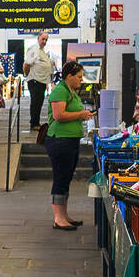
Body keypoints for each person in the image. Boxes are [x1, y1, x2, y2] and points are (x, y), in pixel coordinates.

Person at [45, 60, 95, 231]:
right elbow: (59, 115)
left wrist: (83, 115)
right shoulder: (60, 90)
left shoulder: (71, 91)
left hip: (70, 140)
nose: (81, 80)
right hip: (60, 140)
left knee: (66, 178)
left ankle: (64, 215)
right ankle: (58, 218)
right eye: (79, 77)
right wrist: (80, 114)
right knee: (60, 178)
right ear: (69, 76)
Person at [23, 31, 56, 131]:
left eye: (46, 39)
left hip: (42, 81)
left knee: (39, 103)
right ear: (38, 38)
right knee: (36, 103)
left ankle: (36, 122)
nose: (44, 41)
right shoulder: (33, 49)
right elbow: (26, 64)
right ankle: (34, 124)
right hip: (35, 81)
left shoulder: (42, 51)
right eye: (43, 39)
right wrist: (27, 75)